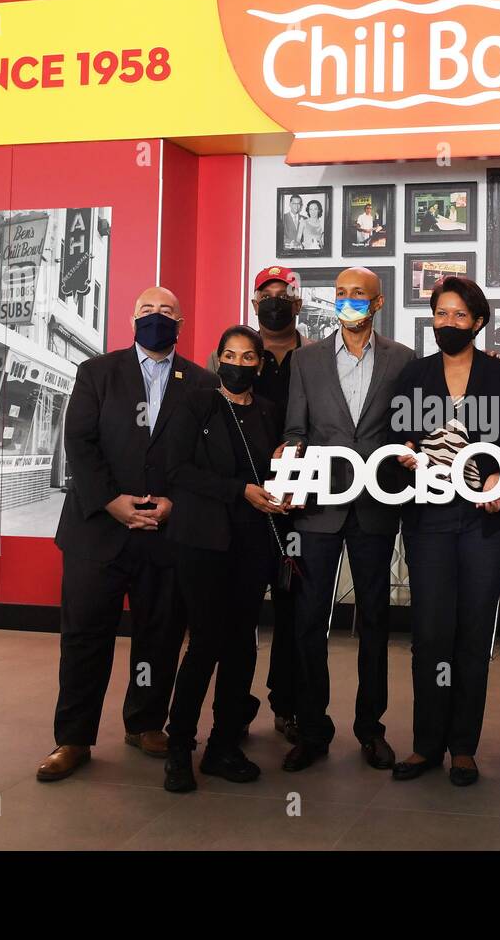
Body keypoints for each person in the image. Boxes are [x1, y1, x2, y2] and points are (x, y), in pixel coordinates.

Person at [38, 287, 220, 782]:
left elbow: (206, 459)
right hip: (97, 530)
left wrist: (175, 503)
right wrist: (111, 502)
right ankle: (72, 737)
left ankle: (144, 723)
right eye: (146, 310)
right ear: (131, 318)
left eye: (166, 311)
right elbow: (79, 440)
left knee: (159, 636)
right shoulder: (97, 372)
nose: (156, 317)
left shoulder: (203, 383)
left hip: (165, 532)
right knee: (84, 637)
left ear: (181, 321)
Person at [390, 276, 500, 786]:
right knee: (429, 635)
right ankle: (426, 744)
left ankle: (463, 747)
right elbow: (394, 436)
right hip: (428, 518)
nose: (448, 323)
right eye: (441, 313)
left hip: (484, 522)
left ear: (478, 321)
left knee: (473, 634)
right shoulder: (412, 375)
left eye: (459, 315)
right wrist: (405, 455)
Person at [281, 267, 415, 772]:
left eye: (358, 295)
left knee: (376, 620)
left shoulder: (403, 360)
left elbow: (406, 428)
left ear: (377, 303)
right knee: (309, 619)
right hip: (318, 509)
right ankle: (313, 729)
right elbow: (296, 428)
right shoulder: (305, 360)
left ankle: (370, 728)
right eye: (340, 294)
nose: (348, 302)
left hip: (376, 507)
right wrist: (289, 456)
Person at [163, 326, 288, 792]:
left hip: (252, 543)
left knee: (242, 646)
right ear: (218, 360)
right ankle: (179, 747)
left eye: (248, 356)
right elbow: (177, 470)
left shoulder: (270, 413)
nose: (239, 363)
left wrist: (282, 483)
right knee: (205, 644)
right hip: (202, 540)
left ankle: (223, 745)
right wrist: (239, 491)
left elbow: (274, 470)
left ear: (259, 364)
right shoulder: (195, 403)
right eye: (230, 355)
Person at [206, 266, 314, 744]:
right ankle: (234, 708)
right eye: (265, 295)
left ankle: (286, 705)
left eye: (283, 295)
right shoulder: (232, 355)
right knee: (238, 613)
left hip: (297, 503)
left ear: (297, 302)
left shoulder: (316, 358)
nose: (274, 302)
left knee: (292, 613)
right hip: (241, 505)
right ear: (254, 303)